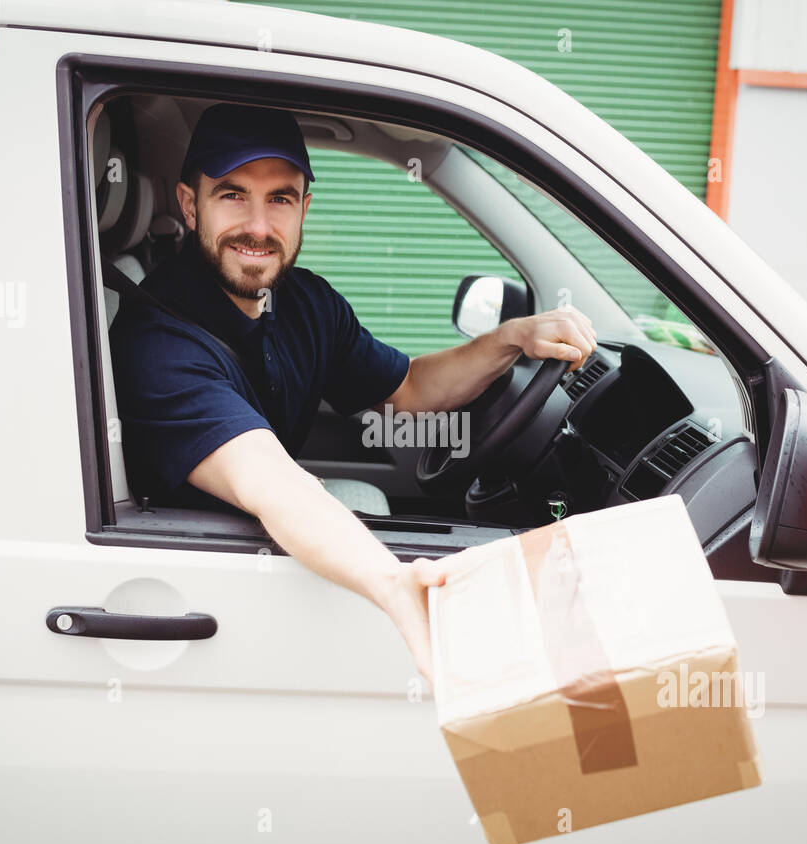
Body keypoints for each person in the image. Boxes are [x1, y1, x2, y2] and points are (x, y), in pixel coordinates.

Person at [109, 103, 596, 686]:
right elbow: (273, 483)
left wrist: (511, 338)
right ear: (191, 206)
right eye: (233, 195)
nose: (259, 228)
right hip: (208, 600)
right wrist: (394, 585)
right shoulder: (158, 343)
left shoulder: (305, 303)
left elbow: (409, 390)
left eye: (280, 199)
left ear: (304, 209)